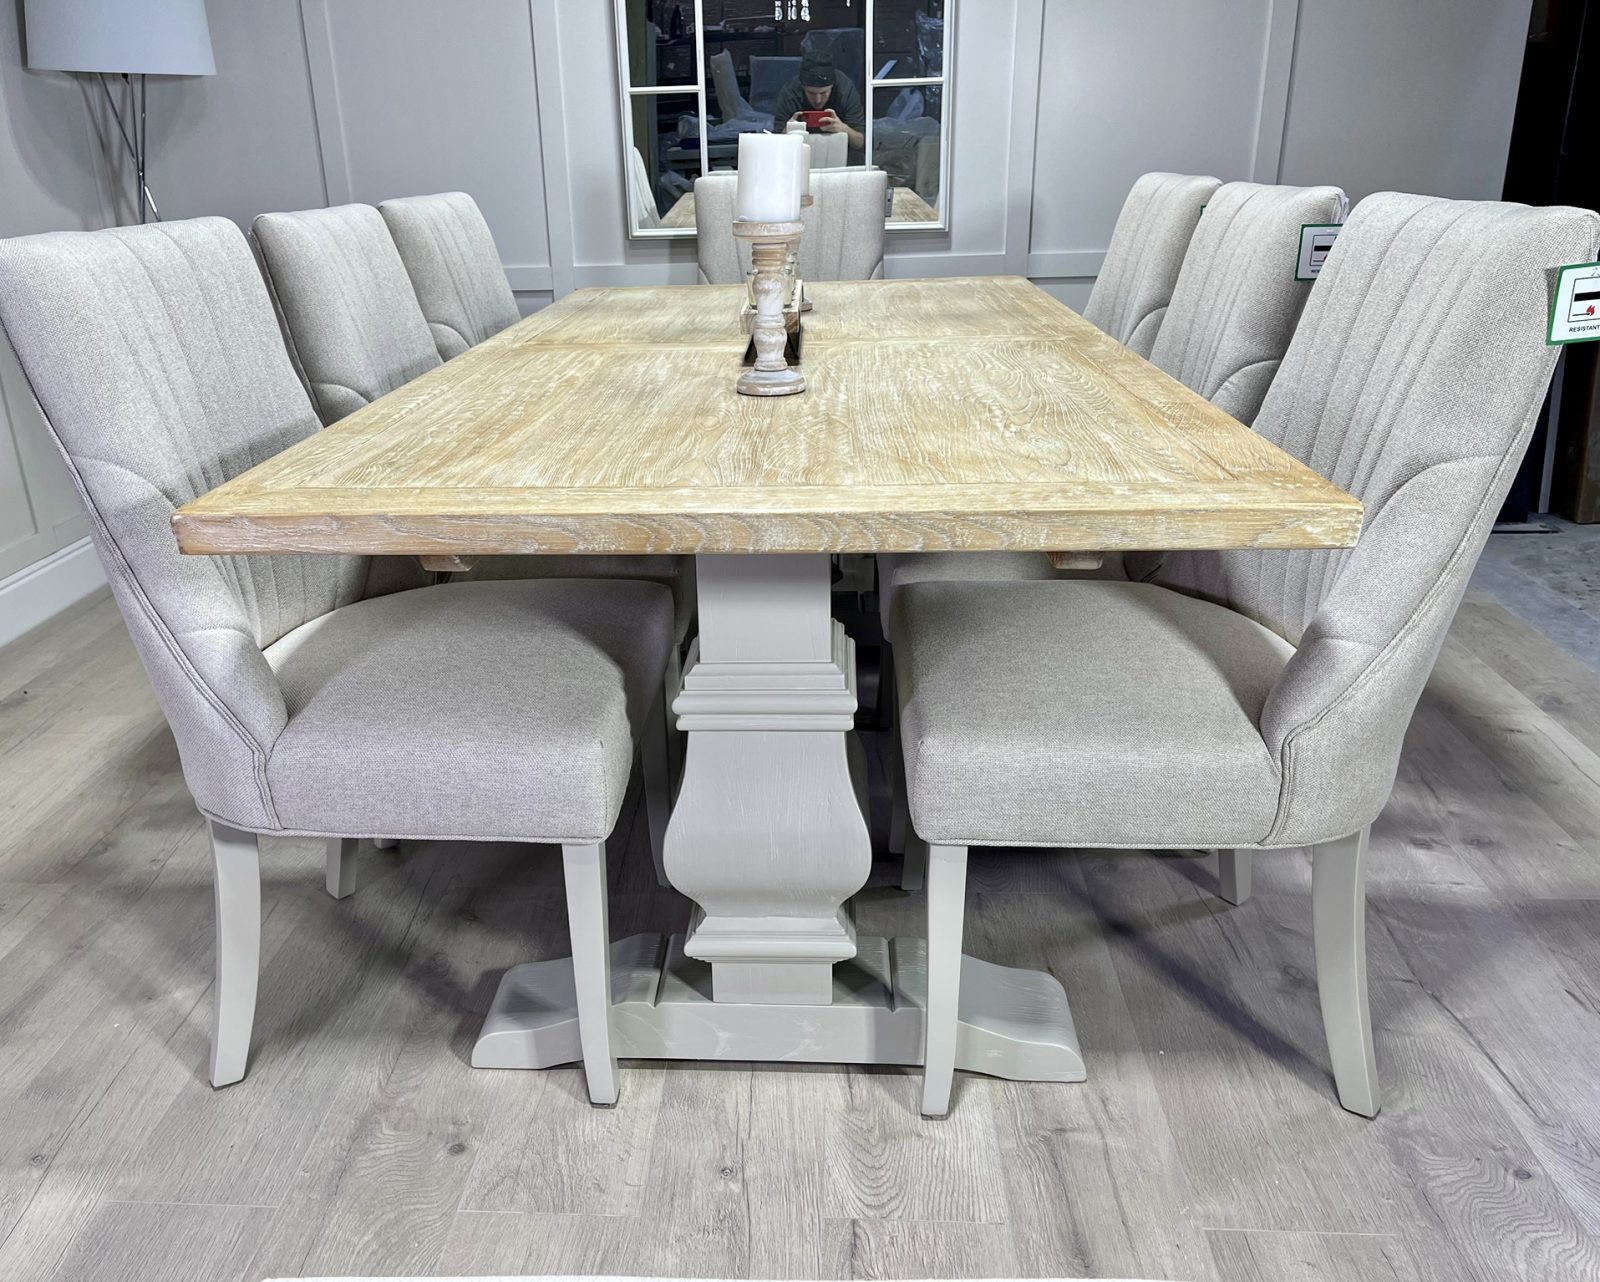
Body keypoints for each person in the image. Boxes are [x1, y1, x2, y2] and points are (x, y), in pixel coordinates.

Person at [774, 52, 866, 156]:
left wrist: (844, 129)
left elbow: (863, 144)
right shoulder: (791, 92)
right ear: (803, 87)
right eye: (811, 93)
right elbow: (774, 146)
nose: (818, 100)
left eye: (824, 93)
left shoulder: (844, 91)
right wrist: (788, 131)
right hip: (797, 154)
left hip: (840, 154)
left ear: (832, 86)